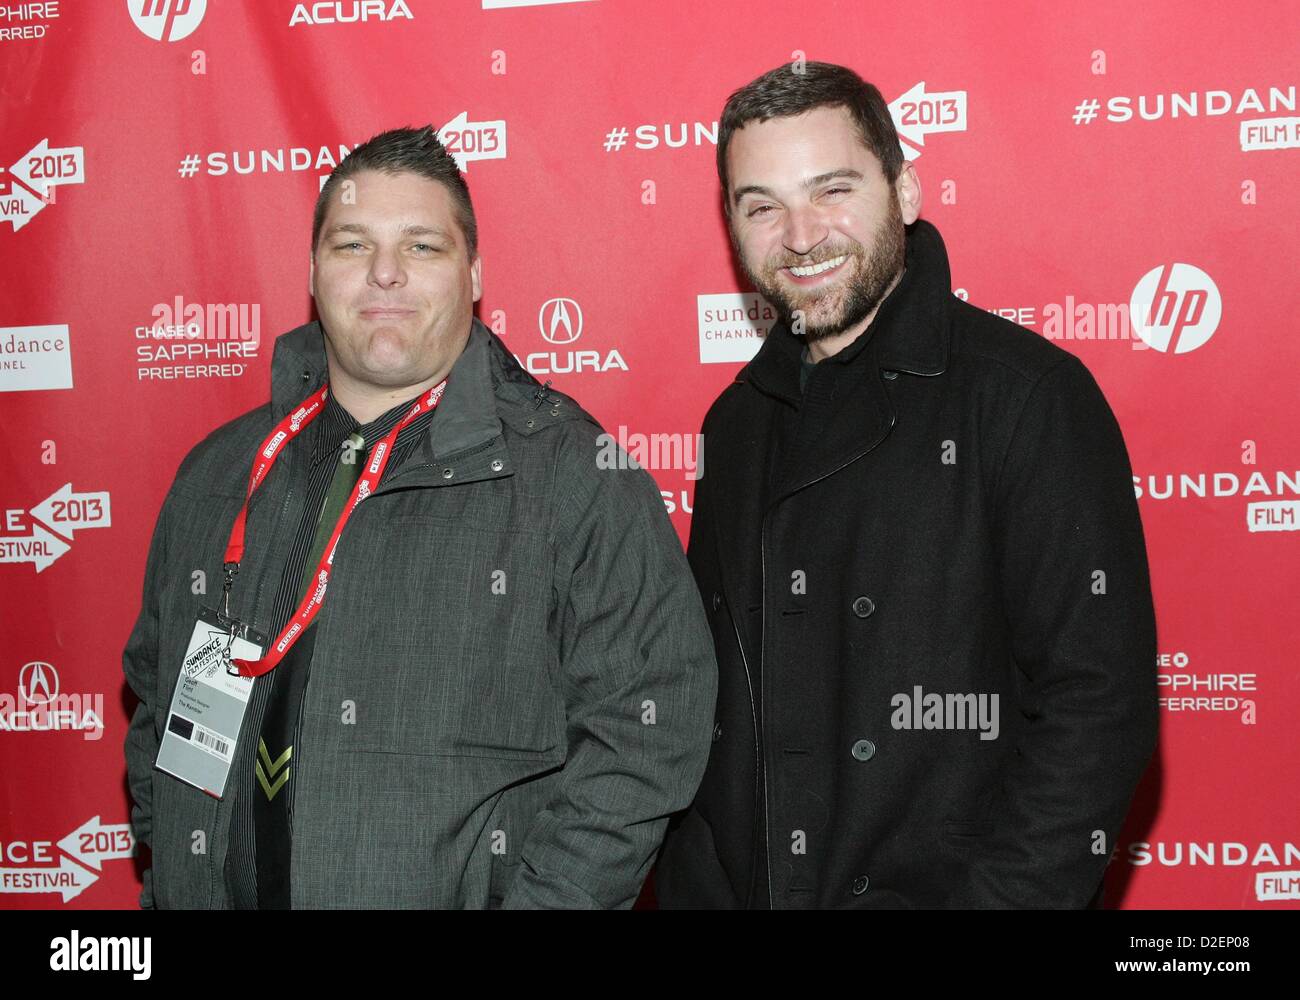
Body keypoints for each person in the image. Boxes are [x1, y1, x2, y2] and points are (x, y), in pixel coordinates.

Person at [123, 125, 716, 909]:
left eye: (423, 247)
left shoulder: (572, 477)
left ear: (474, 273)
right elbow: (158, 696)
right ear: (312, 271)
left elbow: (650, 730)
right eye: (351, 245)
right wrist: (172, 866)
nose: (385, 274)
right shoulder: (218, 473)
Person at [654, 62, 1158, 908]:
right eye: (762, 205)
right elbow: (720, 712)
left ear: (907, 190)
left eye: (832, 189)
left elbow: (1097, 707)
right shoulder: (734, 427)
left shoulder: (1023, 396)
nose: (802, 233)